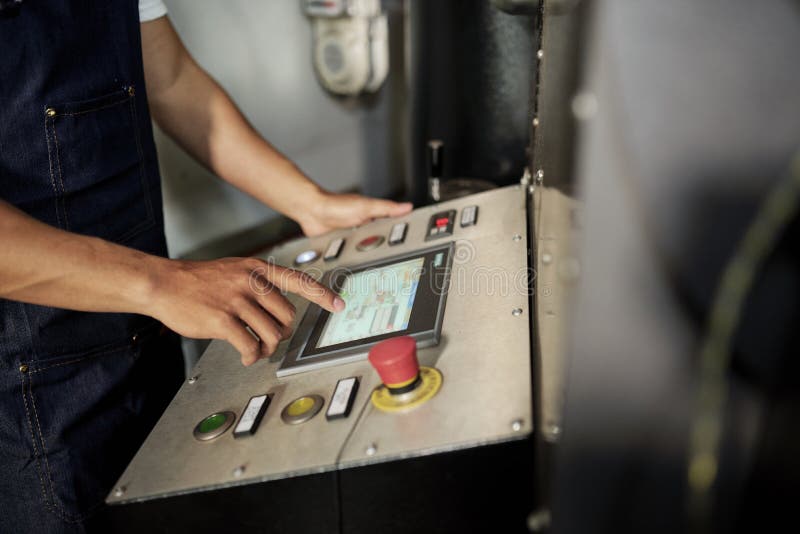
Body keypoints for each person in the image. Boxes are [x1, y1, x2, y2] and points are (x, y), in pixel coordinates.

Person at [0, 1, 412, 531]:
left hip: (145, 337)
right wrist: (161, 283)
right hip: (33, 395)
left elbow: (172, 81)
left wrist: (308, 202)